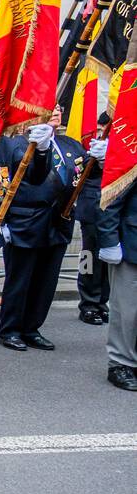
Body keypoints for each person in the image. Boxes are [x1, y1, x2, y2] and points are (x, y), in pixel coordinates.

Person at [0, 108, 82, 352]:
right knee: (20, 280)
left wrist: (102, 161)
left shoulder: (69, 144)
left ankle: (32, 328)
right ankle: (10, 329)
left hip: (59, 221)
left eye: (59, 108)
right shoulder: (13, 143)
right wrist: (1, 222)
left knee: (46, 281)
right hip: (24, 221)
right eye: (50, 108)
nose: (57, 111)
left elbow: (86, 177)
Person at [95, 135, 137, 391]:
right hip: (132, 243)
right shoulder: (131, 149)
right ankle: (120, 362)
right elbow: (111, 197)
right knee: (127, 310)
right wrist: (110, 241)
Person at [76, 112, 112, 326]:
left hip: (110, 206)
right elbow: (79, 169)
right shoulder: (89, 139)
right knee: (89, 256)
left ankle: (102, 302)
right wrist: (95, 158)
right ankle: (88, 303)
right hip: (91, 206)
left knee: (108, 257)